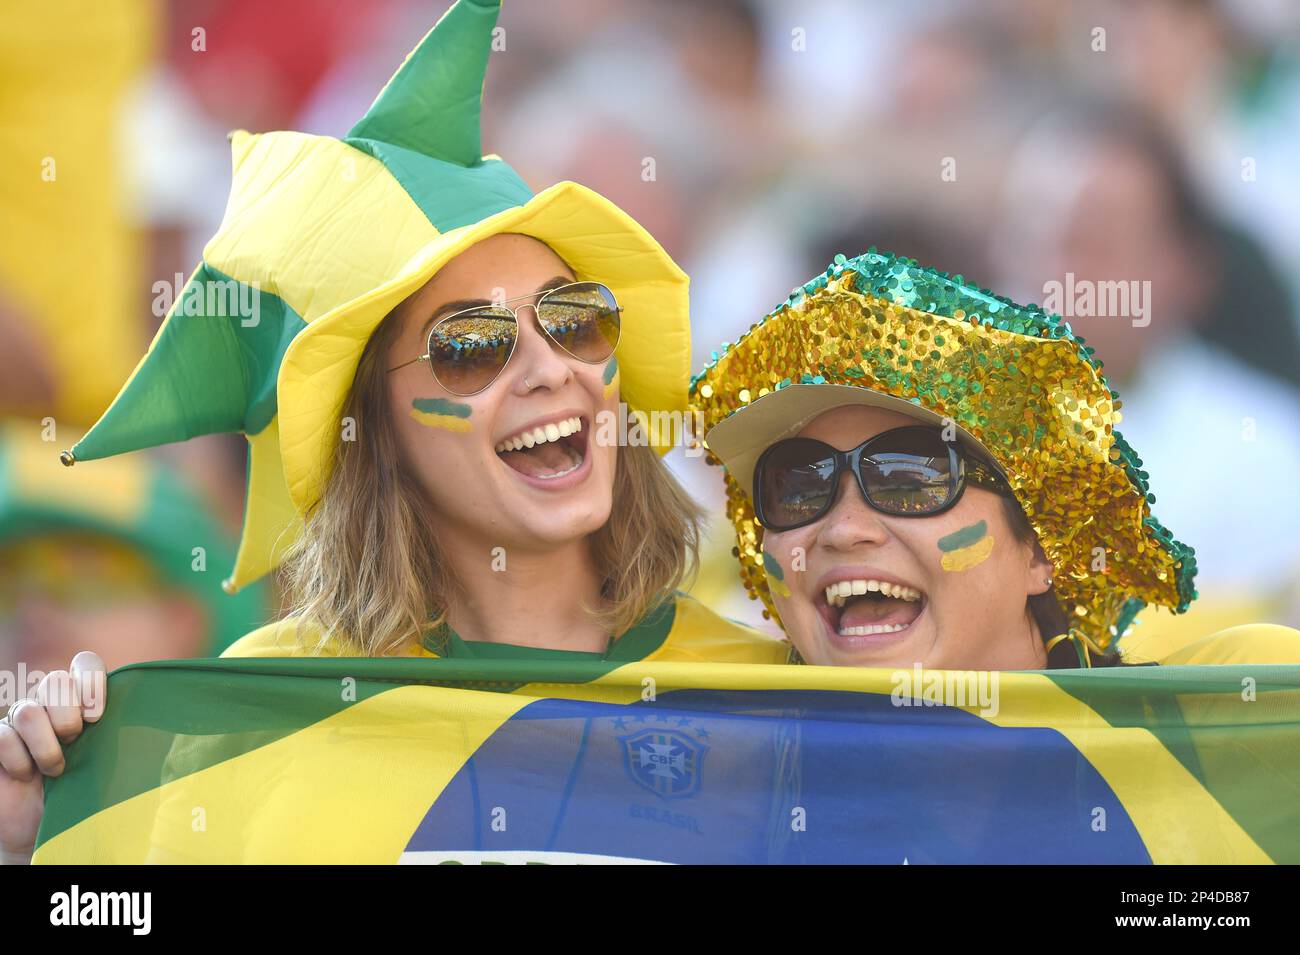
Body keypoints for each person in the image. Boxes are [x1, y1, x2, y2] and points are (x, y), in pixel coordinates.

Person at [0, 0, 784, 866]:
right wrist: (47, 847)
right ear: (370, 433)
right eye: (471, 346)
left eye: (573, 317)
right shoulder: (245, 720)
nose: (550, 367)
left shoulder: (772, 704)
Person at [691, 248, 1300, 669]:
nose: (843, 530)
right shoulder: (716, 783)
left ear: (1042, 549)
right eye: (798, 485)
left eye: (910, 476)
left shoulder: (1230, 735)